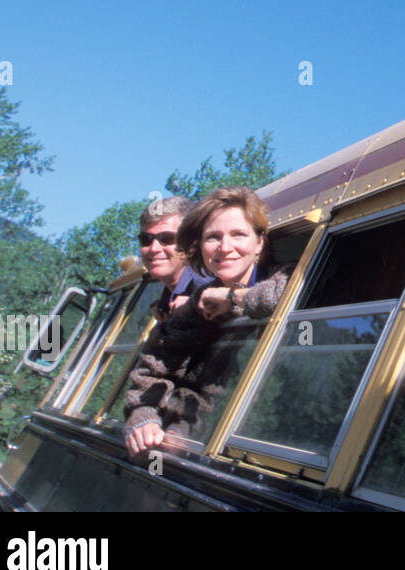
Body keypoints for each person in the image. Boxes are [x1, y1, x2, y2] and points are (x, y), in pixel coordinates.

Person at [124, 186, 294, 458]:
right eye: (213, 237)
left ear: (260, 242)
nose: (225, 248)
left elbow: (284, 295)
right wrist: (144, 419)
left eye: (238, 234)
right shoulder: (196, 305)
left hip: (278, 444)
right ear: (199, 247)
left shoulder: (287, 275)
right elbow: (150, 372)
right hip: (202, 449)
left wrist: (232, 297)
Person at [137, 196, 214, 322]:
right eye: (146, 239)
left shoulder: (203, 289)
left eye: (167, 238)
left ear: (192, 243)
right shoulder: (168, 298)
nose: (153, 249)